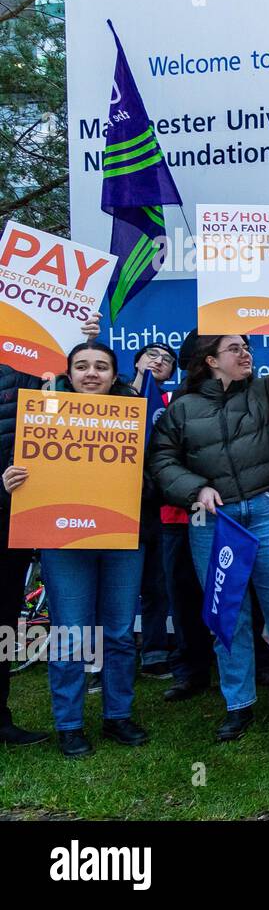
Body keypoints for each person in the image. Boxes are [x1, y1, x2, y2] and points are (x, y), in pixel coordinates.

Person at [149, 299, 269, 742]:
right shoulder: (180, 409)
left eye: (247, 345)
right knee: (227, 617)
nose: (246, 352)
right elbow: (160, 462)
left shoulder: (264, 392)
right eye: (235, 347)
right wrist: (196, 488)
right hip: (211, 521)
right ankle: (238, 706)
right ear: (210, 360)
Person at [3, 342, 150, 757]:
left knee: (120, 633)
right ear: (68, 373)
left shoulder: (136, 415)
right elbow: (28, 467)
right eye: (82, 366)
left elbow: (156, 468)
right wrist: (15, 479)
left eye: (101, 367)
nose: (91, 373)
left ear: (114, 375)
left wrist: (140, 488)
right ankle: (69, 725)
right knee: (71, 633)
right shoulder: (42, 415)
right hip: (63, 538)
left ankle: (117, 716)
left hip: (122, 534)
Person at [0, 316, 102, 748]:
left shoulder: (33, 362)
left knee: (4, 617)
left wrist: (83, 336)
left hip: (18, 513)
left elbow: (72, 401)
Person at [130, 343, 180, 679]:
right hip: (114, 505)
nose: (159, 361)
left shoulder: (172, 405)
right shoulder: (110, 395)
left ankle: (155, 654)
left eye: (167, 360)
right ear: (136, 360)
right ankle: (100, 661)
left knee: (156, 585)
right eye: (152, 355)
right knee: (109, 588)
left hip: (157, 506)